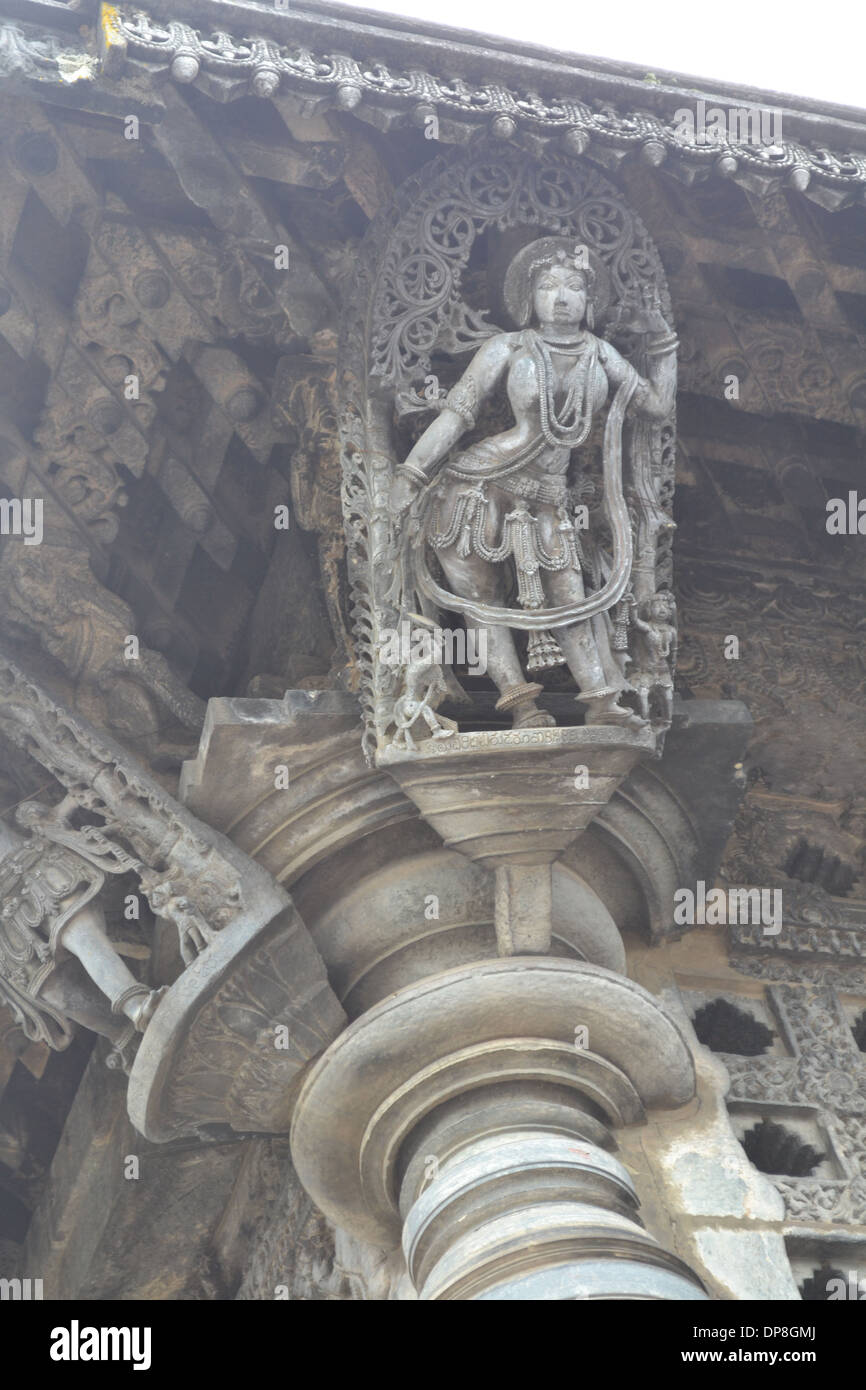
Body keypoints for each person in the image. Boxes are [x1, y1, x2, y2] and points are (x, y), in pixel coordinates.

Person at [389, 236, 677, 730]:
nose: (560, 296)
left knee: (569, 594)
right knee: (483, 600)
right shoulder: (508, 347)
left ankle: (600, 699)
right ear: (529, 297)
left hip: (548, 494)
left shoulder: (601, 353)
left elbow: (655, 405)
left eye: (573, 287)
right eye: (547, 286)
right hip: (479, 486)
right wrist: (412, 475)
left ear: (589, 301)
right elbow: (458, 415)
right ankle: (521, 705)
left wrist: (662, 338)